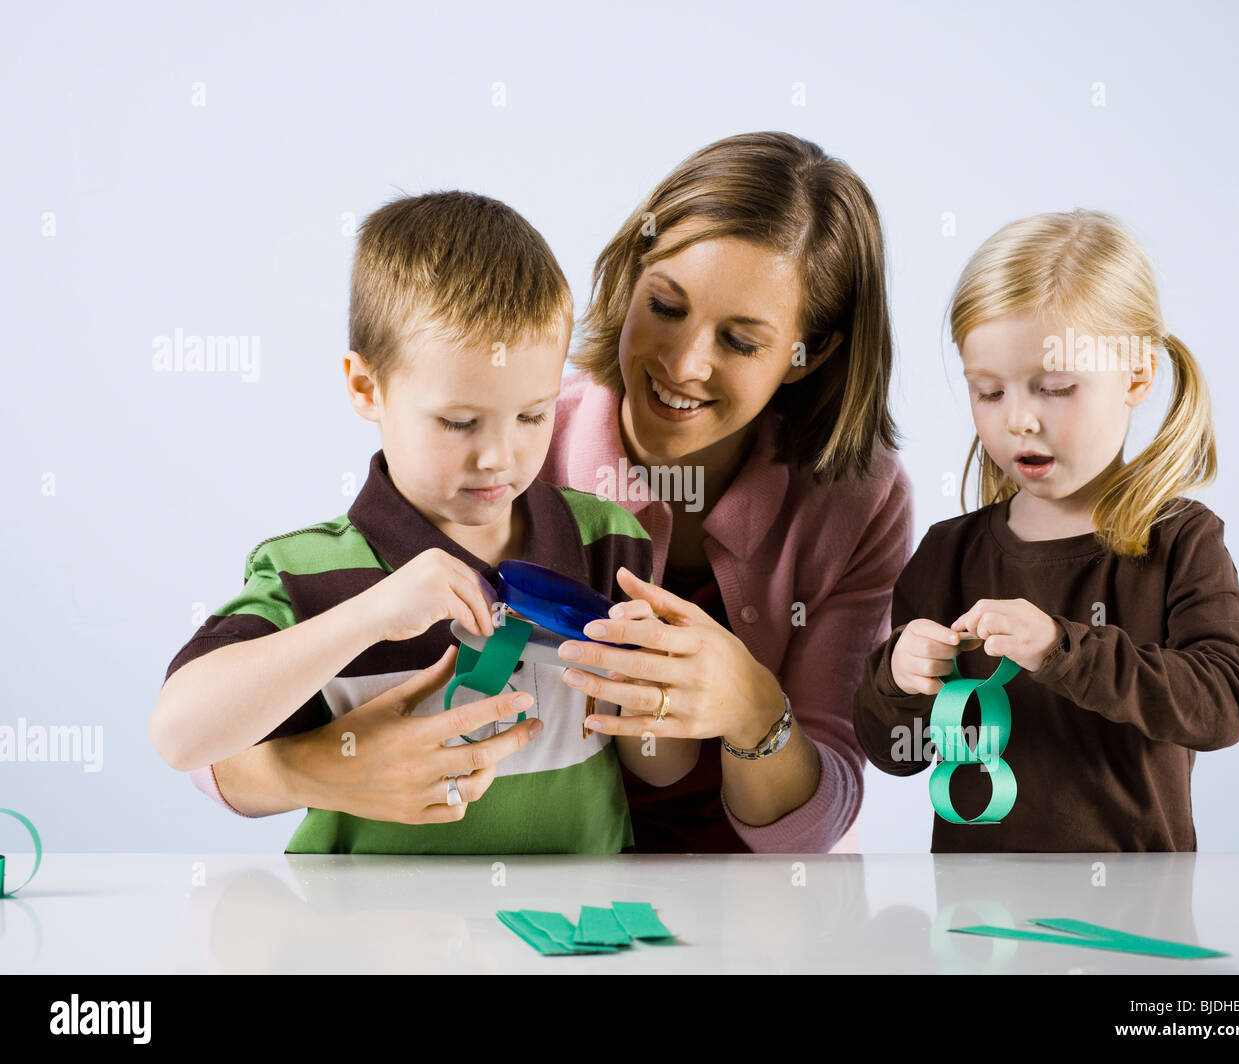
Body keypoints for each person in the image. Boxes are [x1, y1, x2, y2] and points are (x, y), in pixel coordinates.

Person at [189, 132, 915, 854]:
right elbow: (210, 740)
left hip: (720, 894)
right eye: (665, 305)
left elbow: (816, 824)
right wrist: (325, 767)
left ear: (808, 352)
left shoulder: (855, 500)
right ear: (630, 277)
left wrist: (750, 706)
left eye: (741, 341)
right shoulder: (503, 443)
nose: (684, 363)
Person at [151, 190, 682, 854]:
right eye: (459, 422)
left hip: (570, 939)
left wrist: (656, 694)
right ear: (366, 388)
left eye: (533, 415)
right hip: (366, 940)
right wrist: (368, 616)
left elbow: (659, 766)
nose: (499, 457)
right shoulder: (310, 572)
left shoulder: (609, 541)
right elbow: (179, 736)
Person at [853, 209, 1239, 851]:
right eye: (989, 393)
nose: (1018, 420)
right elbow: (896, 755)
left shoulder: (1181, 541)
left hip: (1136, 921)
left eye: (1055, 388)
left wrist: (1062, 651)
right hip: (978, 929)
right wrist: (898, 680)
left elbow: (1223, 703)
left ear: (1136, 375)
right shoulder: (948, 552)